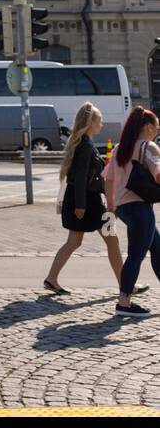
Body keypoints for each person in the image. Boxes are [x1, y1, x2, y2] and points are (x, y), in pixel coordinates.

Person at [43, 103, 131, 296]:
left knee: (75, 242)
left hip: (87, 201)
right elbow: (81, 176)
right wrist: (81, 206)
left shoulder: (84, 143)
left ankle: (51, 279)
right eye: (99, 120)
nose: (102, 124)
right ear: (91, 122)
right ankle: (126, 285)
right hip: (88, 203)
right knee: (111, 240)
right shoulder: (85, 145)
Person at [105, 107, 160, 317]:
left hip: (124, 208)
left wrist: (111, 208)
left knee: (157, 248)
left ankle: (124, 301)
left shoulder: (120, 148)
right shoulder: (149, 147)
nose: (157, 131)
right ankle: (124, 303)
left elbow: (108, 179)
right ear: (147, 127)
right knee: (136, 255)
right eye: (156, 127)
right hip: (140, 208)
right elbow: (158, 174)